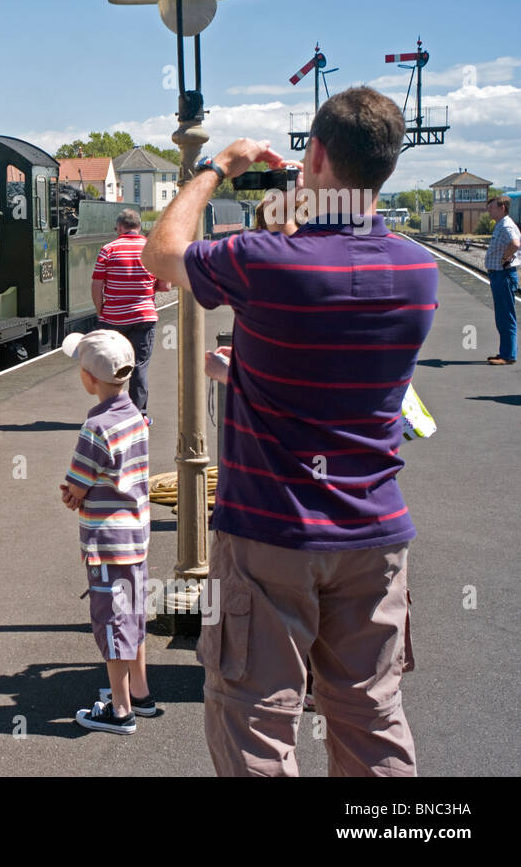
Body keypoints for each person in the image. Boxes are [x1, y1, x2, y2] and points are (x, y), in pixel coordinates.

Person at [142, 86, 437, 777]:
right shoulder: (418, 272)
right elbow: (337, 349)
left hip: (272, 532)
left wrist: (217, 167)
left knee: (256, 718)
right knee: (371, 716)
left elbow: (163, 253)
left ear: (317, 153)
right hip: (375, 536)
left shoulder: (266, 259)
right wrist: (247, 372)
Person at [58, 329, 154, 735]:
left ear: (88, 378)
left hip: (106, 543)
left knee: (111, 623)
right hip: (135, 538)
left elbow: (76, 487)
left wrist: (70, 495)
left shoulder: (95, 426)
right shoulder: (137, 417)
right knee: (132, 614)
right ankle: (142, 692)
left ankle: (120, 709)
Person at [91, 208, 171, 422]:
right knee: (139, 366)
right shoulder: (152, 249)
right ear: (139, 226)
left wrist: (102, 313)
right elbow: (166, 285)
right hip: (144, 317)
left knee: (111, 366)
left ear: (119, 227)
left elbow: (97, 285)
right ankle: (138, 416)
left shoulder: (108, 249)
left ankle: (109, 412)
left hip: (113, 320)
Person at [484, 195, 519, 365]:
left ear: (502, 208)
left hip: (503, 275)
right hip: (499, 275)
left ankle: (508, 355)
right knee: (502, 316)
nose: (489, 211)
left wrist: (506, 257)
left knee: (506, 316)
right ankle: (505, 352)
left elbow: (515, 243)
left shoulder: (506, 225)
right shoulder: (501, 225)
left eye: (491, 207)